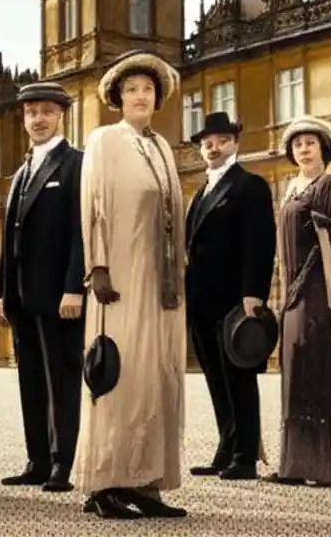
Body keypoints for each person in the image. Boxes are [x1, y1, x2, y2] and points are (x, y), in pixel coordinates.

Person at [76, 50, 188, 520]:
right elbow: (94, 203)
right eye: (133, 89)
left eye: (148, 89)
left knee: (156, 375)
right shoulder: (105, 140)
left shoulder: (162, 147)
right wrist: (97, 266)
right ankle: (105, 483)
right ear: (118, 97)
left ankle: (145, 481)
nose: (141, 96)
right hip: (119, 275)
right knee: (118, 375)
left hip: (160, 279)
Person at [0, 81, 85, 493]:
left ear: (60, 114)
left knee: (62, 379)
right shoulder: (22, 171)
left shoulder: (77, 164)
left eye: (46, 111)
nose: (38, 119)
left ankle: (63, 463)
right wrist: (0, 292)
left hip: (59, 294)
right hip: (22, 296)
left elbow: (83, 231)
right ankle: (38, 460)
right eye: (31, 113)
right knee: (30, 378)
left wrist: (74, 286)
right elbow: (10, 238)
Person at [268, 115, 331, 488]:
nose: (303, 149)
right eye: (297, 144)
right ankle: (295, 464)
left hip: (319, 289)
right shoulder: (291, 188)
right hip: (292, 290)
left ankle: (328, 466)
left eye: (310, 142)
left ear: (323, 148)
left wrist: (327, 225)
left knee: (319, 367)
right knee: (295, 370)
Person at [183, 111, 276, 481]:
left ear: (235, 143)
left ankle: (246, 456)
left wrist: (254, 293)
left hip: (234, 300)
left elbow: (260, 243)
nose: (213, 148)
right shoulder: (200, 192)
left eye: (221, 141)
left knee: (239, 377)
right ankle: (226, 448)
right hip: (202, 301)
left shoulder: (249, 185)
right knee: (215, 378)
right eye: (207, 143)